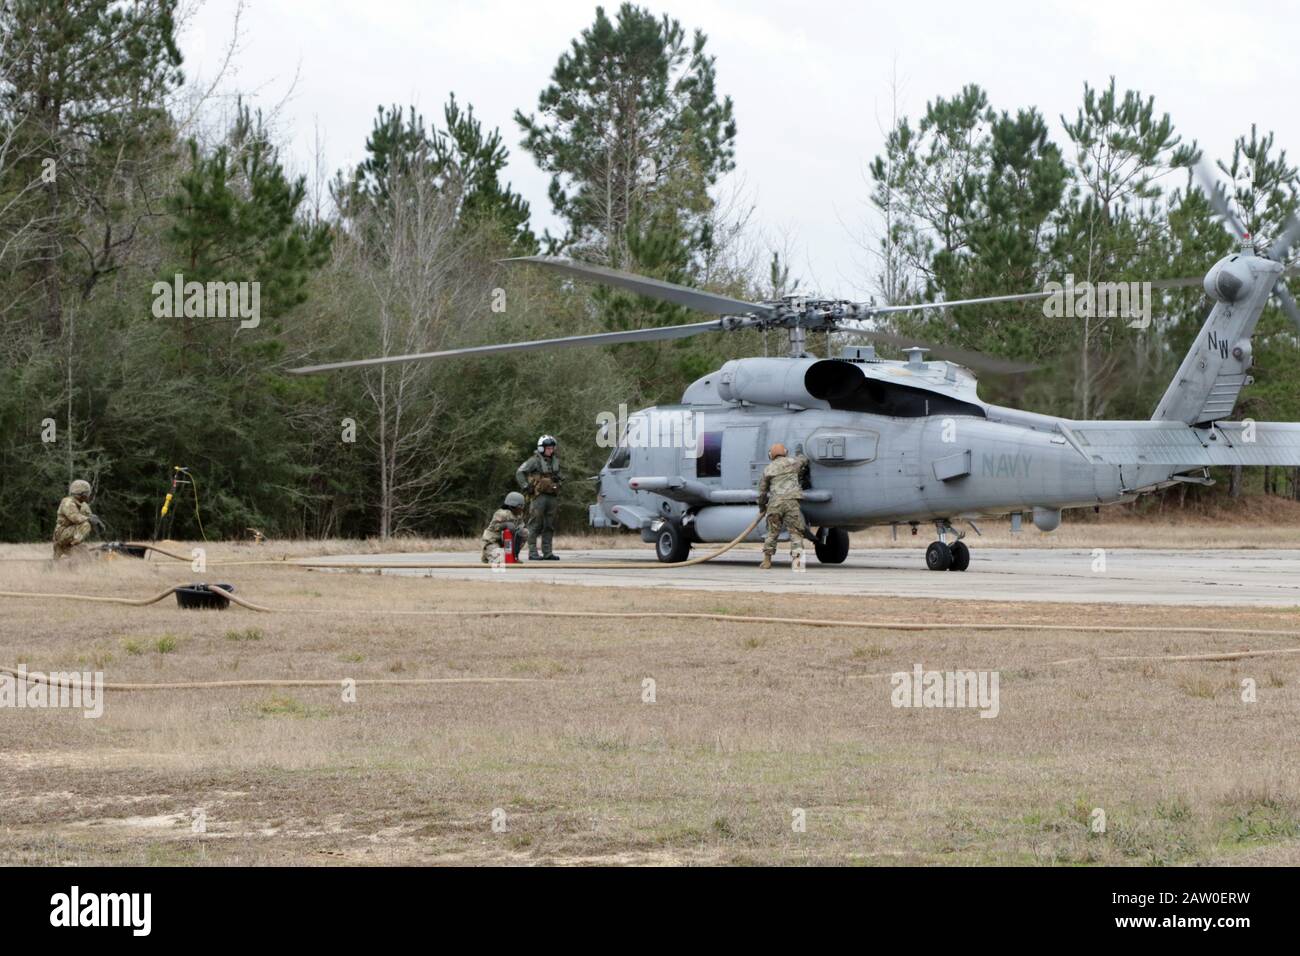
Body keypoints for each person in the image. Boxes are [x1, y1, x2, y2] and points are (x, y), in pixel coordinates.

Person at [756, 443, 809, 570]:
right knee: (796, 533)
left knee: (772, 533)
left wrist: (762, 507)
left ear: (771, 455)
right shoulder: (793, 462)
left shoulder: (768, 469)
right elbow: (804, 460)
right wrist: (799, 453)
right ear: (785, 452)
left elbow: (762, 492)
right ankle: (797, 563)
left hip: (775, 504)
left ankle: (767, 561)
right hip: (791, 503)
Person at [516, 435, 563, 560]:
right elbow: (520, 472)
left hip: (552, 496)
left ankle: (547, 553)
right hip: (539, 497)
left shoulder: (555, 461)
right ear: (542, 448)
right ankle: (532, 553)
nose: (550, 450)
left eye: (552, 448)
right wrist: (526, 486)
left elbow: (560, 476)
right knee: (535, 524)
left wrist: (559, 481)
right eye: (548, 448)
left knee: (549, 525)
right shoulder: (534, 460)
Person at [53, 479, 105, 561]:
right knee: (86, 524)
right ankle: (74, 546)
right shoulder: (67, 502)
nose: (88, 495)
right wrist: (90, 519)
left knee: (87, 560)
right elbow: (75, 518)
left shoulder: (84, 505)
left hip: (71, 533)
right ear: (82, 493)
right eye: (87, 493)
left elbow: (89, 517)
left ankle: (75, 548)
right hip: (62, 533)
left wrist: (96, 521)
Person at [481, 492, 528, 565]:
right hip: (493, 540)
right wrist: (504, 525)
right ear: (513, 506)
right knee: (499, 561)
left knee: (524, 532)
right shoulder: (502, 513)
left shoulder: (519, 515)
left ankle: (514, 556)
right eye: (520, 506)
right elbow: (493, 527)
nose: (522, 508)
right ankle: (488, 553)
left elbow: (521, 527)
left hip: (508, 541)